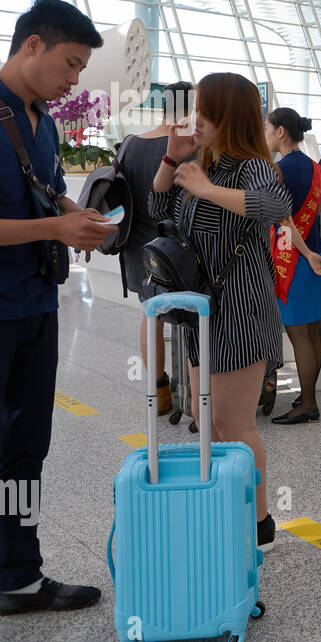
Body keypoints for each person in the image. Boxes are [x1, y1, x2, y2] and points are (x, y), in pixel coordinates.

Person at [0, 0, 112, 642]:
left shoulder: (39, 122)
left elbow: (41, 194)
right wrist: (51, 230)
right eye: (70, 64)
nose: (75, 81)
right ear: (32, 46)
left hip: (36, 308)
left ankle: (20, 581)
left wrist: (75, 215)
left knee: (25, 453)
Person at [150, 72, 292, 553]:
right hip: (200, 314)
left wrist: (206, 188)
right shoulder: (201, 161)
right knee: (204, 418)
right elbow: (157, 205)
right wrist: (172, 158)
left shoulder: (251, 167)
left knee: (235, 425)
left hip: (240, 311)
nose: (196, 121)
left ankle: (259, 523)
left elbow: (274, 207)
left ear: (227, 115)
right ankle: (222, 506)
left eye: (204, 112)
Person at [119, 81, 193, 415]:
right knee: (193, 319)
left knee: (152, 316)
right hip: (180, 251)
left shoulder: (131, 144)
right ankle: (195, 395)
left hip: (139, 249)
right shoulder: (190, 146)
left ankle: (159, 390)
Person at [264, 107, 321, 424]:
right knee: (314, 332)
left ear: (280, 132)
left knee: (298, 336)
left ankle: (308, 404)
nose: (265, 134)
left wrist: (299, 247)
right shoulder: (314, 167)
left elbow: (283, 220)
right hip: (317, 252)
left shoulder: (280, 169)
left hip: (296, 261)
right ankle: (308, 396)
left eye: (267, 128)